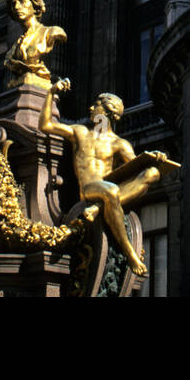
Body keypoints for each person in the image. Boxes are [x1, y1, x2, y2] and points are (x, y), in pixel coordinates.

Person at [38, 79, 165, 275]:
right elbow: (46, 125)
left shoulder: (119, 144)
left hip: (108, 189)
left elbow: (136, 168)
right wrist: (51, 93)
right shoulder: (80, 132)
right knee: (111, 191)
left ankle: (99, 207)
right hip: (89, 188)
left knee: (153, 173)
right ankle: (130, 252)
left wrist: (155, 158)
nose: (91, 108)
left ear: (107, 111)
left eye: (96, 105)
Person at [3, 0, 66, 87]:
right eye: (13, 4)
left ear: (35, 6)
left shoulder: (52, 32)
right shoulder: (13, 50)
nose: (16, 7)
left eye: (22, 2)